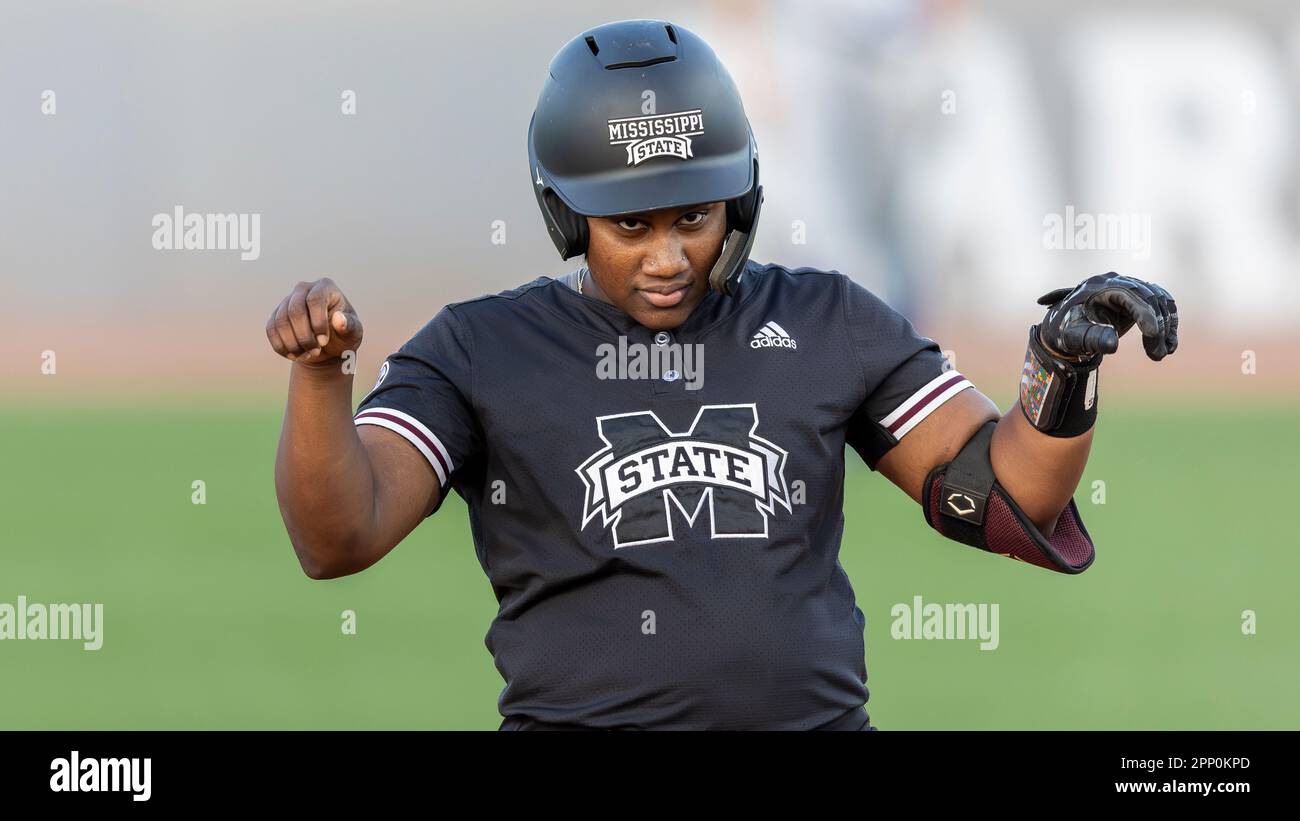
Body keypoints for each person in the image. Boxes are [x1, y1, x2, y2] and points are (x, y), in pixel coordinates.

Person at [265, 19, 1179, 730]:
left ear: (739, 195)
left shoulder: (827, 320)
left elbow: (1007, 500)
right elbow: (339, 537)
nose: (668, 255)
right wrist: (321, 376)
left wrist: (1058, 370)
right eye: (630, 226)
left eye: (694, 217)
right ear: (564, 214)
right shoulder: (479, 348)